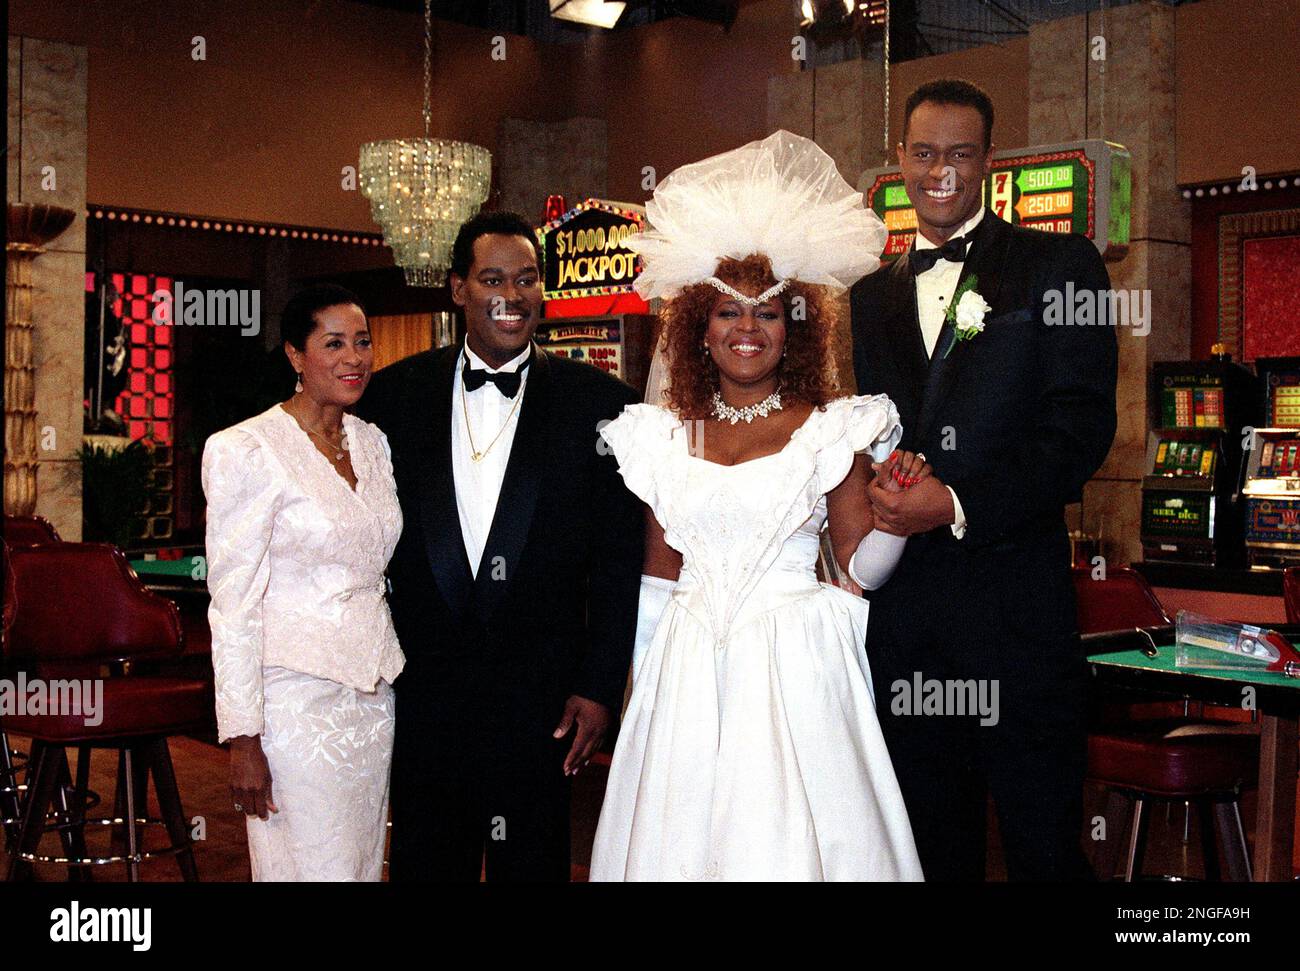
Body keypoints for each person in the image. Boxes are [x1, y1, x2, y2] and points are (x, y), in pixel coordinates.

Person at [589, 131, 925, 881]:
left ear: (795, 328)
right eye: (729, 313)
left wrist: (895, 512)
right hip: (686, 663)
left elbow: (861, 566)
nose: (748, 328)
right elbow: (658, 573)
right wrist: (641, 684)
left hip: (794, 663)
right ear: (698, 330)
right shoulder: (662, 437)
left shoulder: (833, 428)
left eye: (769, 313)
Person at [850, 79, 1118, 881]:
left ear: (990, 162)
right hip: (904, 631)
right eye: (924, 154)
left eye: (960, 155)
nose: (941, 172)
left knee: (1041, 846)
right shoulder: (866, 298)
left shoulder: (1058, 264)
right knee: (928, 853)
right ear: (900, 160)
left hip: (1016, 625)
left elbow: (1079, 431)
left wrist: (958, 500)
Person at [357, 210, 643, 882]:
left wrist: (599, 685)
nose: (511, 297)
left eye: (526, 280)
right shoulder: (392, 397)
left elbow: (616, 561)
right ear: (457, 288)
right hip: (424, 693)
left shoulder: (605, 407)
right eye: (491, 279)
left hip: (543, 701)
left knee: (533, 866)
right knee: (427, 863)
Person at [202, 284, 404, 881]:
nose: (354, 358)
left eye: (363, 343)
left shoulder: (373, 443)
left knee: (362, 865)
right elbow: (232, 603)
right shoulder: (245, 448)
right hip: (292, 702)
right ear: (295, 355)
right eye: (333, 343)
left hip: (373, 694)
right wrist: (243, 736)